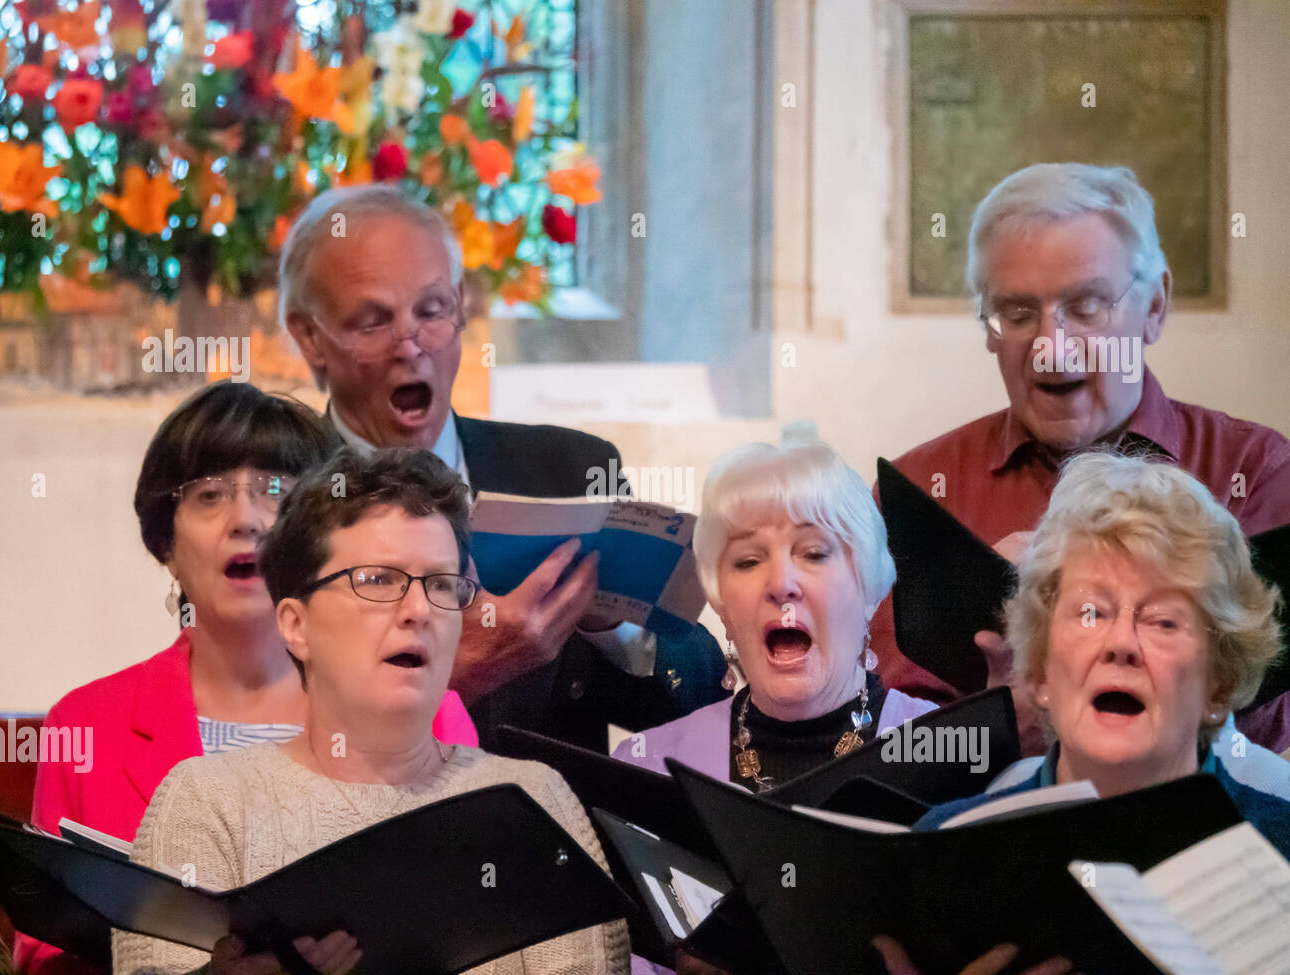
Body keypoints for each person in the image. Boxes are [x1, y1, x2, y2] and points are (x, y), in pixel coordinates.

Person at [113, 447, 629, 975]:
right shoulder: (210, 801)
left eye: (441, 585)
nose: (418, 611)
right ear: (295, 624)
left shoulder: (533, 803)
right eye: (379, 581)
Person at [16, 383, 471, 975]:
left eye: (278, 491)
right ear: (166, 545)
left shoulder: (431, 714)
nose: (246, 519)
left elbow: (477, 933)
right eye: (209, 494)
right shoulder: (85, 725)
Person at [278, 184, 726, 753]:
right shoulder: (279, 502)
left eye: (431, 310)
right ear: (310, 336)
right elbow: (260, 735)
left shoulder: (569, 472)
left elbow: (699, 698)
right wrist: (462, 670)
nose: (409, 346)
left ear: (461, 305)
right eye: (373, 322)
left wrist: (610, 626)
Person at [869, 163, 1290, 753]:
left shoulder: (1260, 472)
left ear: (1155, 306)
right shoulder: (923, 494)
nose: (1050, 346)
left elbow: (1274, 731)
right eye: (1017, 314)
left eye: (1087, 307)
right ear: (988, 329)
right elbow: (888, 739)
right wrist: (997, 728)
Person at [916, 451, 1290, 848]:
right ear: (1041, 673)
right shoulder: (937, 849)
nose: (1121, 643)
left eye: (1163, 621)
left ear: (1218, 687)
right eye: (1091, 613)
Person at [615, 441, 937, 789]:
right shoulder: (647, 768)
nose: (781, 584)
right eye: (749, 561)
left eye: (813, 553)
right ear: (722, 606)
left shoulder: (951, 753)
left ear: (869, 592)